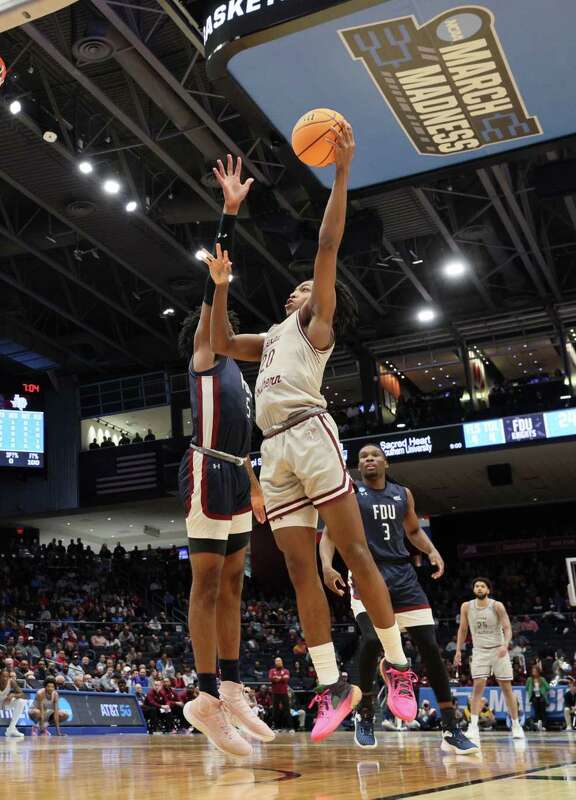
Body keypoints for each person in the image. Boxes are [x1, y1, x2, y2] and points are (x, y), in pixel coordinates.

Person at [207, 129, 416, 743]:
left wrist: (343, 173)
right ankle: (333, 684)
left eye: (307, 286)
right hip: (272, 450)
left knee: (355, 555)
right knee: (300, 570)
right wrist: (220, 286)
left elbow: (327, 243)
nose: (298, 287)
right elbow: (220, 343)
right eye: (297, 287)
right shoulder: (271, 339)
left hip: (310, 433)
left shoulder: (314, 328)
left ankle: (397, 668)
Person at [177, 154, 274, 758]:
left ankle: (233, 687)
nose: (225, 321)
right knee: (207, 584)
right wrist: (229, 214)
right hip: (205, 473)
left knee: (236, 584)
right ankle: (205, 698)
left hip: (238, 475)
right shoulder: (205, 355)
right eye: (218, 317)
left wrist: (258, 484)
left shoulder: (238, 367)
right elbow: (215, 295)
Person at [319, 444, 476, 754]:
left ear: (385, 462)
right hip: (366, 573)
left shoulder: (402, 494)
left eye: (374, 455)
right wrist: (326, 565)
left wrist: (431, 551)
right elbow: (329, 535)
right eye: (362, 457)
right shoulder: (350, 494)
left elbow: (414, 530)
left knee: (430, 647)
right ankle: (365, 715)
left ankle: (450, 726)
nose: (368, 460)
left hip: (403, 576)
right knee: (370, 640)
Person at [455, 577, 524, 742]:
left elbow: (507, 628)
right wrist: (458, 650)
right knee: (477, 687)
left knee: (506, 688)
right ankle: (473, 726)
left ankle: (516, 725)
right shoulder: (466, 606)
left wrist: (505, 645)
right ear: (474, 590)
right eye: (477, 586)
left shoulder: (497, 605)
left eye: (482, 586)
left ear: (488, 590)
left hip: (498, 649)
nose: (479, 588)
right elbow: (463, 629)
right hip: (479, 651)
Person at [267, 657, 296, 731]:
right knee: (275, 710)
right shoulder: (272, 670)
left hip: (284, 693)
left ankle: (290, 728)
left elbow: (286, 679)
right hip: (275, 693)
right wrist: (281, 678)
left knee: (287, 710)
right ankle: (276, 727)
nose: (278, 662)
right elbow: (270, 678)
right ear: (275, 663)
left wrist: (278, 678)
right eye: (276, 661)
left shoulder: (286, 670)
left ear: (282, 662)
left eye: (279, 661)